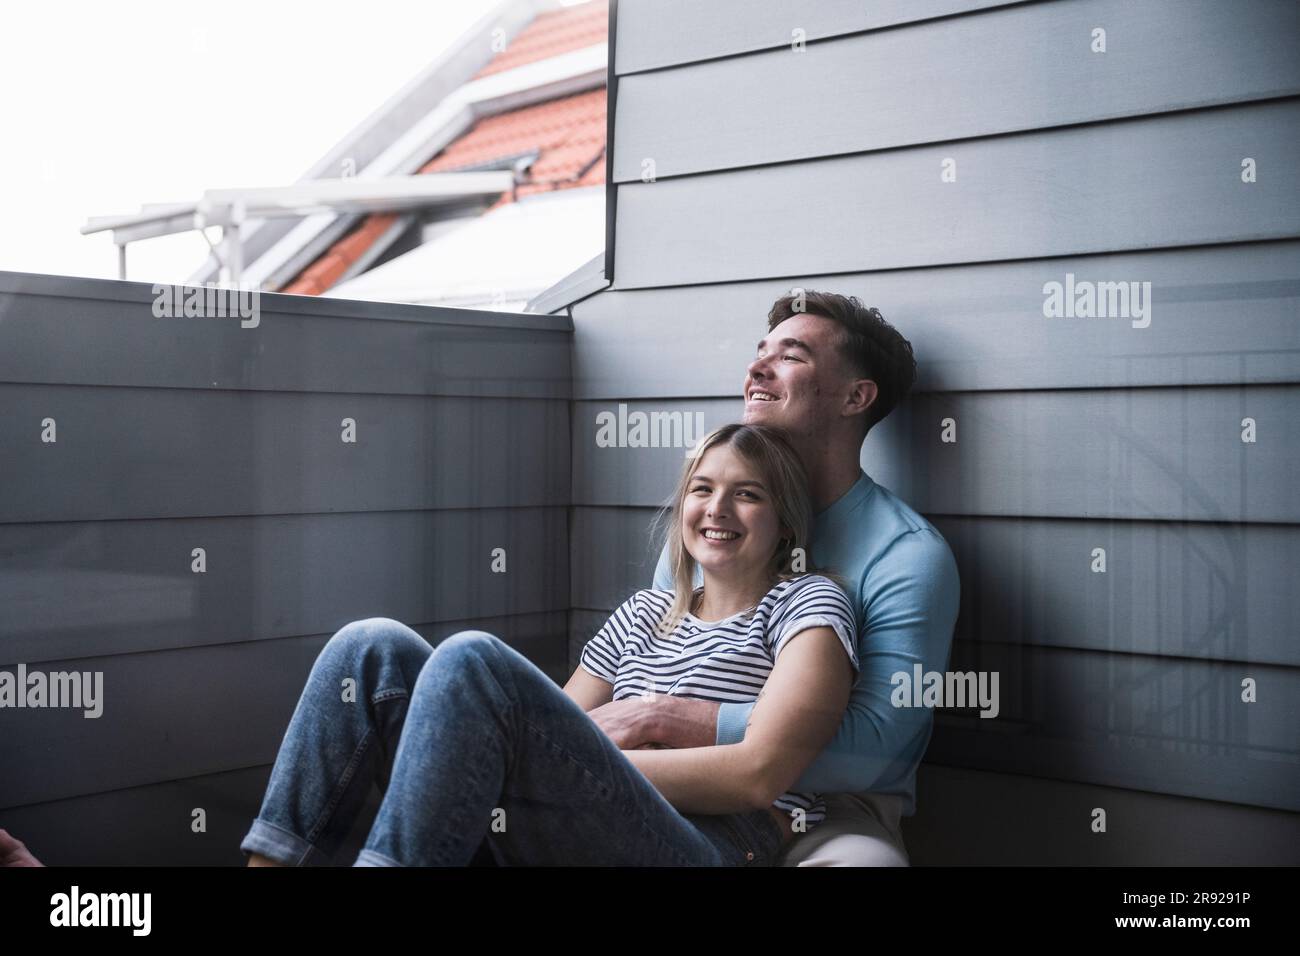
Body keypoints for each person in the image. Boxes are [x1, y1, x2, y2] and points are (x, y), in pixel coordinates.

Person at [239, 422, 858, 866]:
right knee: (369, 646)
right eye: (702, 488)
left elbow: (756, 775)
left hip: (714, 842)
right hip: (582, 826)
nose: (717, 507)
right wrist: (568, 765)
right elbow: (554, 731)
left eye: (747, 493)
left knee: (473, 659)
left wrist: (603, 770)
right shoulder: (642, 614)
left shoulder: (806, 605)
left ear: (785, 522)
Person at [599, 290, 961, 867]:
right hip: (677, 780)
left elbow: (876, 751)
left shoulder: (907, 556)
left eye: (790, 356)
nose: (756, 368)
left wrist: (668, 717)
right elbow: (657, 658)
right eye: (759, 352)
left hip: (833, 807)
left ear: (855, 396)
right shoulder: (708, 532)